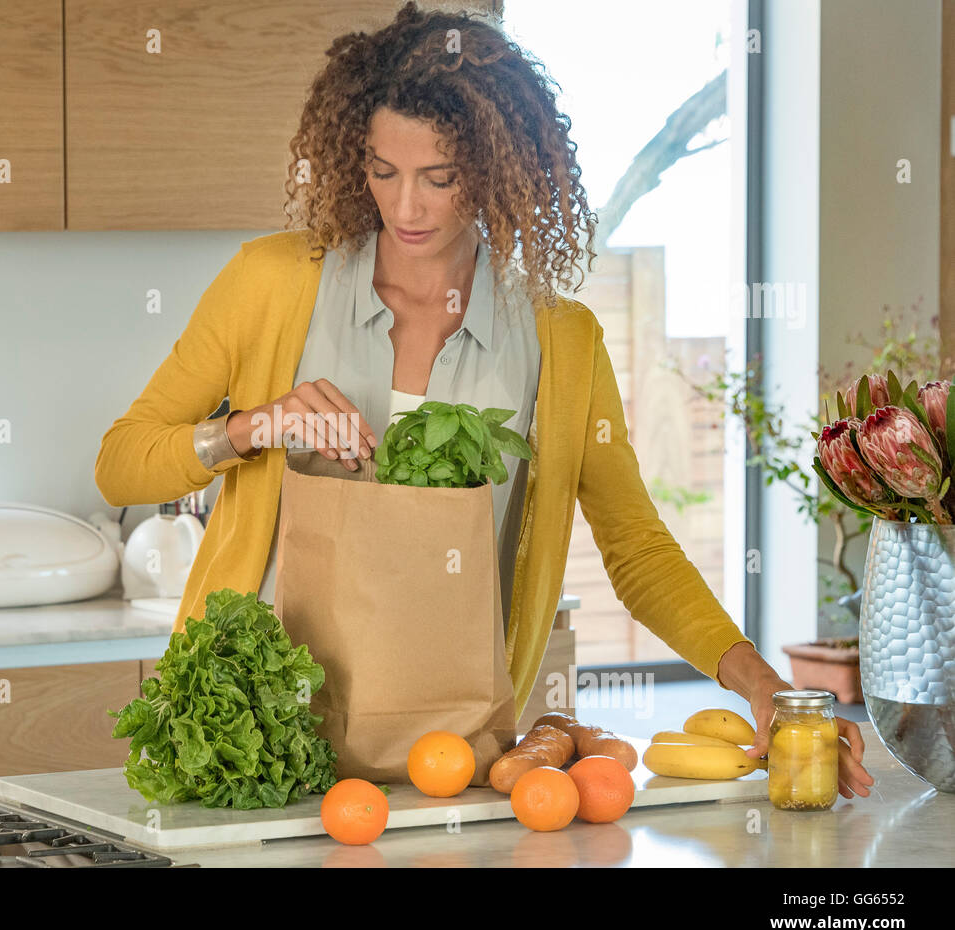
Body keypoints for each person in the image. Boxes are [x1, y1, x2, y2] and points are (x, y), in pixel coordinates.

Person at [96, 2, 873, 799]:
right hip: (254, 752)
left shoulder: (560, 341)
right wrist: (249, 426)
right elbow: (121, 465)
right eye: (380, 169)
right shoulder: (271, 283)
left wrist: (763, 685)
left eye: (440, 177)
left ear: (501, 166)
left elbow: (635, 547)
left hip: (452, 765)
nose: (406, 208)